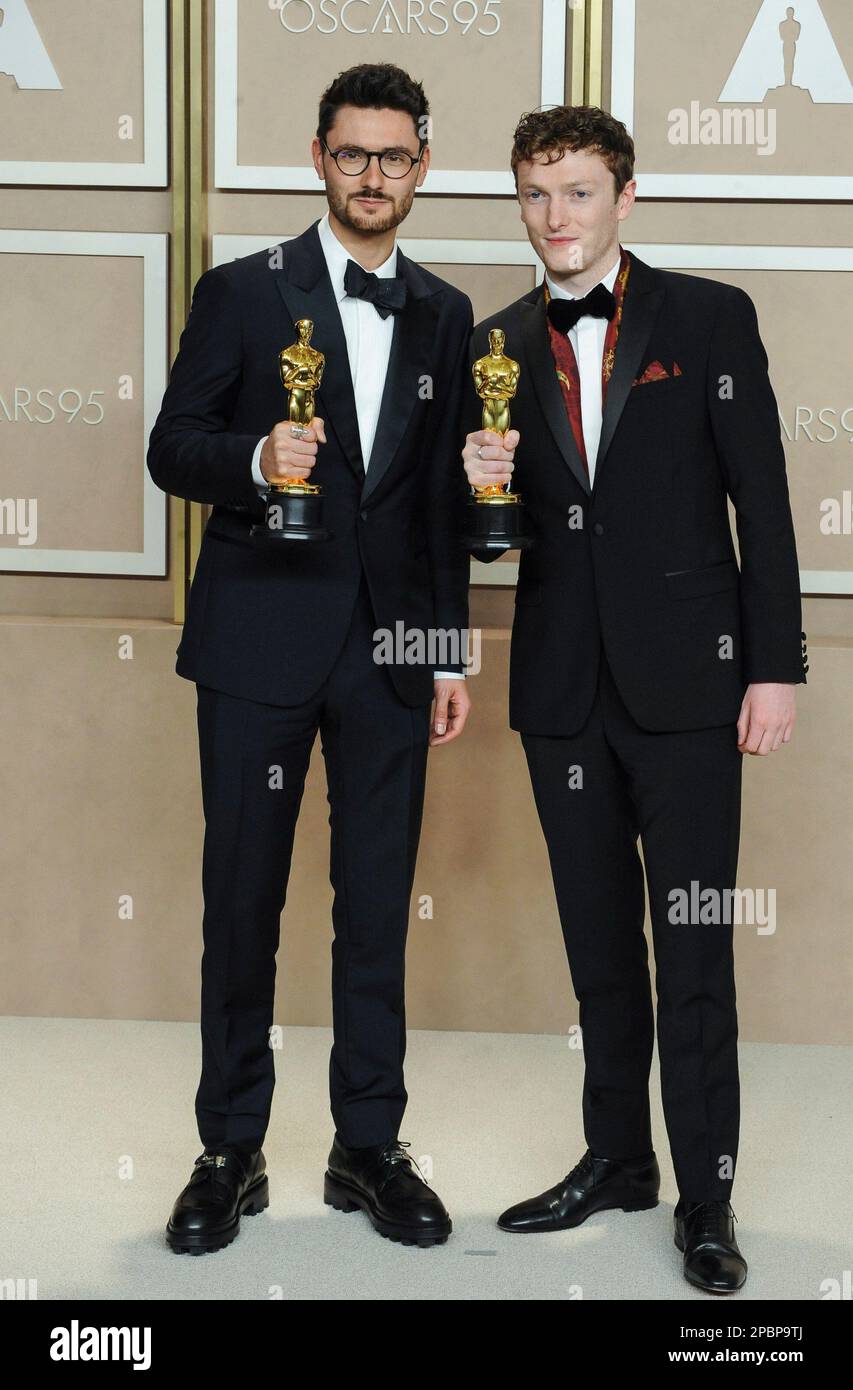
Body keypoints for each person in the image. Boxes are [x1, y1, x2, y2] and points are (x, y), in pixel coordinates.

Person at [462, 104, 808, 1294]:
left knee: (694, 945)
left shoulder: (708, 317)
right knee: (600, 950)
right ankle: (616, 1160)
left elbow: (759, 501)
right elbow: (487, 539)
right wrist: (477, 497)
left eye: (577, 192)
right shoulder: (493, 344)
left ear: (623, 197)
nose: (554, 217)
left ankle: (706, 1196)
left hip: (694, 689)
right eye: (534, 194)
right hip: (563, 693)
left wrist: (774, 667)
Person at [147, 62, 473, 1254]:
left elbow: (440, 506)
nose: (372, 175)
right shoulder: (241, 291)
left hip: (392, 652)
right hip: (257, 644)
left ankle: (366, 1147)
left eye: (393, 155)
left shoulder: (444, 311)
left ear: (422, 164)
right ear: (319, 158)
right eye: (352, 153)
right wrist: (253, 459)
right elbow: (171, 444)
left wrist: (445, 656)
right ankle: (229, 1150)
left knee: (376, 906)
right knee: (242, 901)